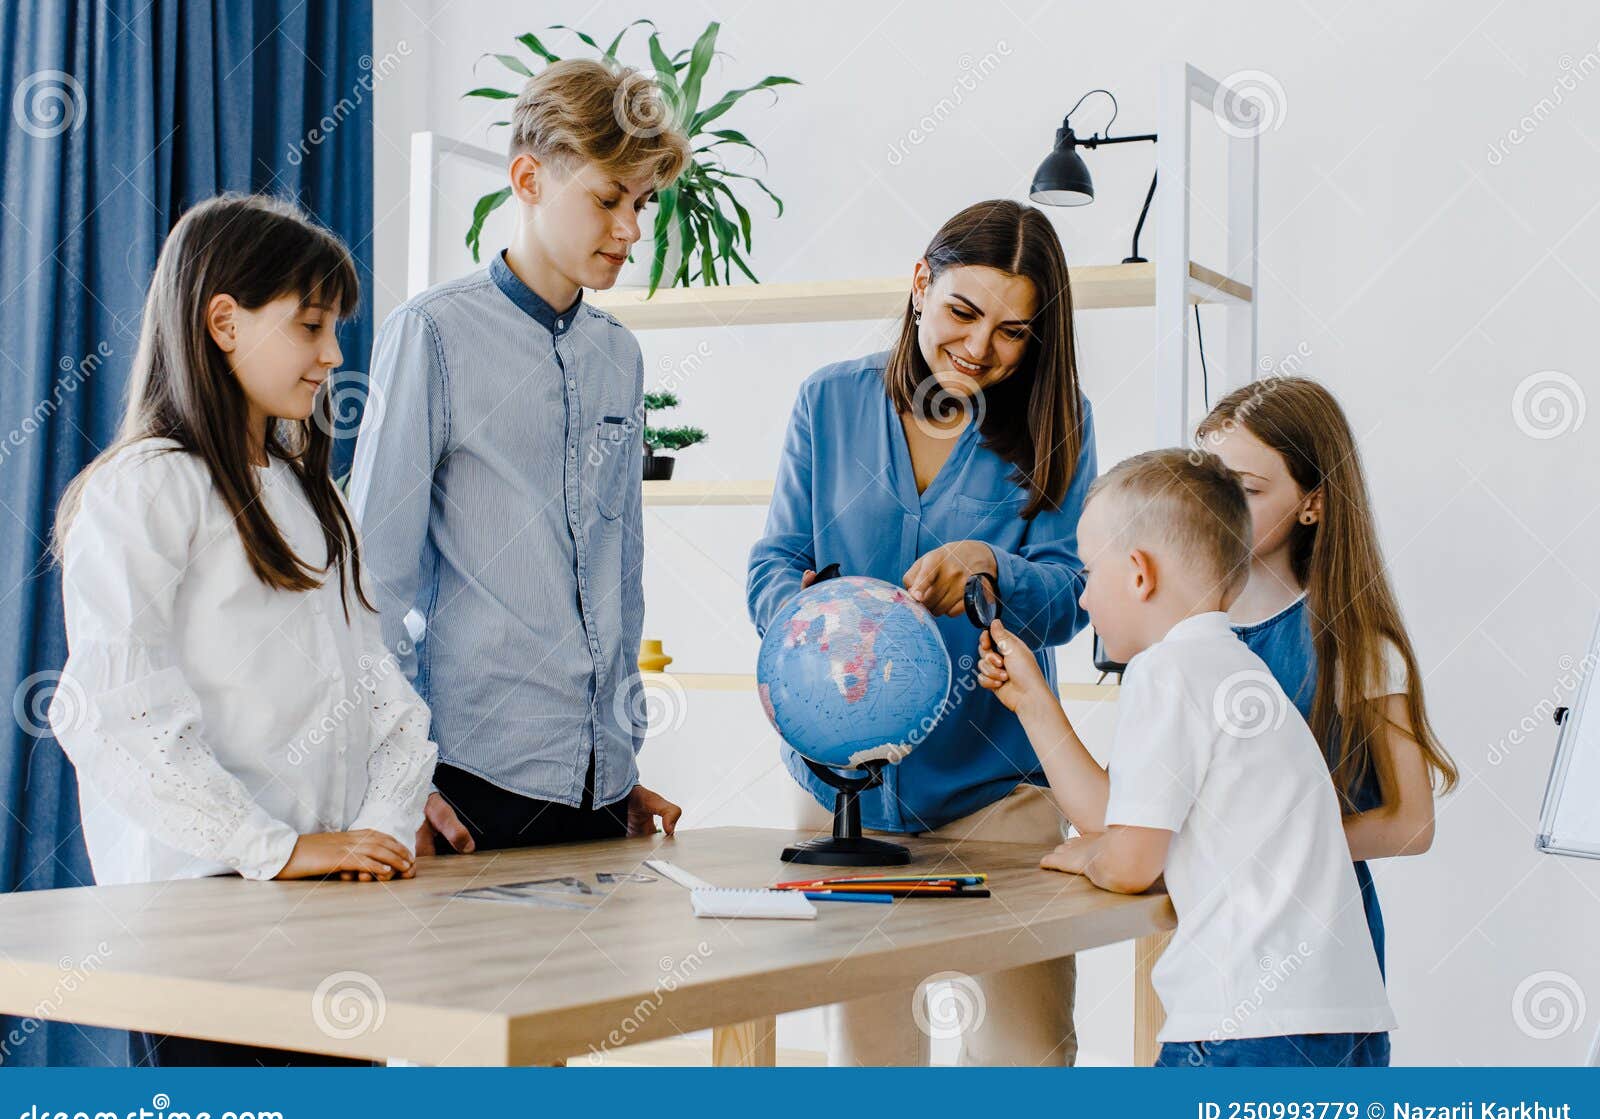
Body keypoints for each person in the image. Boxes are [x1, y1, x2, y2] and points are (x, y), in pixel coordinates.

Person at [50, 194, 434, 1066]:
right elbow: (115, 713)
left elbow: (385, 700)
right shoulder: (147, 488)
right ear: (223, 321)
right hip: (208, 918)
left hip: (323, 906)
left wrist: (371, 836)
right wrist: (274, 847)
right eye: (310, 326)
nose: (334, 355)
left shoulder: (316, 497)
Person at [747, 199, 1096, 1066]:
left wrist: (992, 565)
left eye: (1014, 332)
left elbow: (1071, 595)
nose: (980, 350)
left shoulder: (1060, 424)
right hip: (845, 799)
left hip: (997, 797)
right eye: (963, 312)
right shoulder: (828, 401)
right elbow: (775, 560)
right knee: (869, 1065)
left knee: (1024, 1062)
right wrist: (807, 617)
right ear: (918, 286)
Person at [351, 60, 686, 856]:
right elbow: (372, 580)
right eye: (608, 199)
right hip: (467, 787)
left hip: (600, 792)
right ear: (530, 179)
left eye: (640, 204)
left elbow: (621, 568)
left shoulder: (620, 357)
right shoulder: (431, 334)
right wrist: (399, 782)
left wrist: (616, 761)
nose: (631, 229)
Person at [978, 449, 1395, 1066]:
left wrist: (1096, 854)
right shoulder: (1232, 669)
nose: (1085, 601)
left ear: (1139, 574)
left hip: (1244, 1029)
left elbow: (1129, 861)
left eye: (1089, 574)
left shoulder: (1164, 671)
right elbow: (1121, 815)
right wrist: (1035, 704)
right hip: (1341, 1023)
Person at [1197, 379, 1458, 1065]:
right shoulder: (1192, 636)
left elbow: (1410, 823)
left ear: (1313, 502)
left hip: (1314, 958)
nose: (1220, 511)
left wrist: (1267, 852)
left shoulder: (1354, 643)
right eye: (1211, 486)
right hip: (1211, 942)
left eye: (1247, 492)